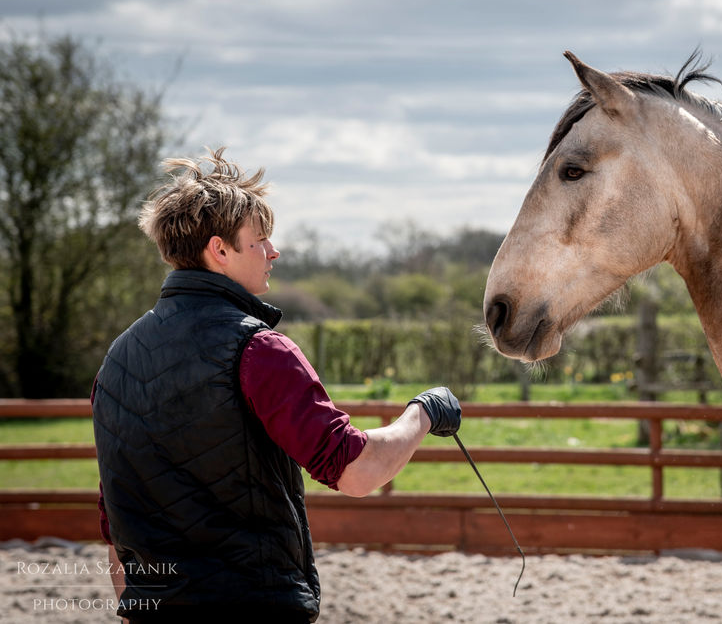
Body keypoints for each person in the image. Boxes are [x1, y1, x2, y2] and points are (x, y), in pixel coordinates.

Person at [91, 147, 462, 623]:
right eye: (260, 239)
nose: (273, 251)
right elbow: (357, 471)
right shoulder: (258, 349)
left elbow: (116, 519)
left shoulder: (117, 361)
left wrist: (134, 610)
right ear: (219, 250)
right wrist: (423, 412)